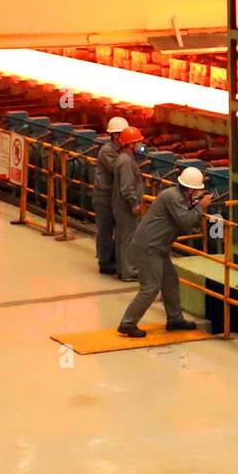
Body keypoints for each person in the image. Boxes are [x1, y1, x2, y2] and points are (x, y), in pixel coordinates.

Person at [117, 165, 213, 337]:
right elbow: (185, 220)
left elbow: (184, 213)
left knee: (170, 282)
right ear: (191, 189)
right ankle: (128, 323)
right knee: (150, 288)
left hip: (158, 247)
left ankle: (175, 319)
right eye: (197, 190)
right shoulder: (172, 197)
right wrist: (201, 207)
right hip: (149, 247)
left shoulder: (177, 196)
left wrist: (196, 204)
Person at [112, 126, 147, 283]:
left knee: (122, 237)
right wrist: (134, 203)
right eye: (138, 142)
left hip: (120, 205)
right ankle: (129, 272)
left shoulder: (124, 159)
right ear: (131, 145)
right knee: (128, 238)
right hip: (126, 207)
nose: (141, 145)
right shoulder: (126, 162)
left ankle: (122, 270)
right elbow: (126, 187)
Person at [93, 117, 128, 275]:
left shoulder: (122, 150)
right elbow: (118, 169)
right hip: (104, 196)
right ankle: (105, 263)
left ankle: (115, 257)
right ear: (115, 135)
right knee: (106, 230)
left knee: (120, 228)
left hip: (116, 196)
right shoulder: (107, 151)